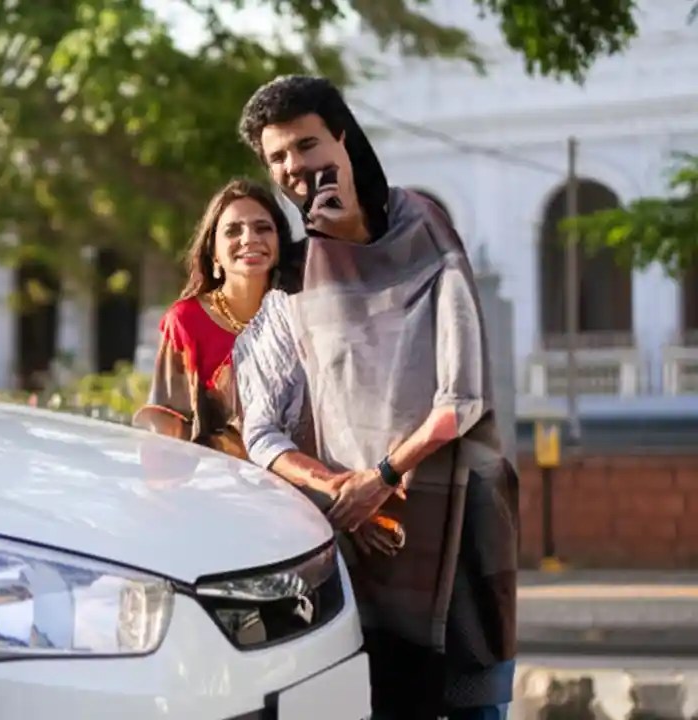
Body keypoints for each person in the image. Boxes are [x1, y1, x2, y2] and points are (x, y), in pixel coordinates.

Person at [232, 75, 520, 720]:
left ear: (342, 136)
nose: (294, 168)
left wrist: (383, 475)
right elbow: (262, 431)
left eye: (307, 146)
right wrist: (342, 489)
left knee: (474, 708)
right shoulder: (298, 275)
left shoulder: (421, 225)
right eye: (277, 157)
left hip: (457, 522)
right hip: (367, 542)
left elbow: (462, 393)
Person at [132, 178, 305, 463]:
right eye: (233, 231)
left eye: (263, 228)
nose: (250, 238)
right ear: (214, 253)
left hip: (298, 483)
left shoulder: (298, 314)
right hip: (215, 486)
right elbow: (167, 432)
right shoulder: (186, 322)